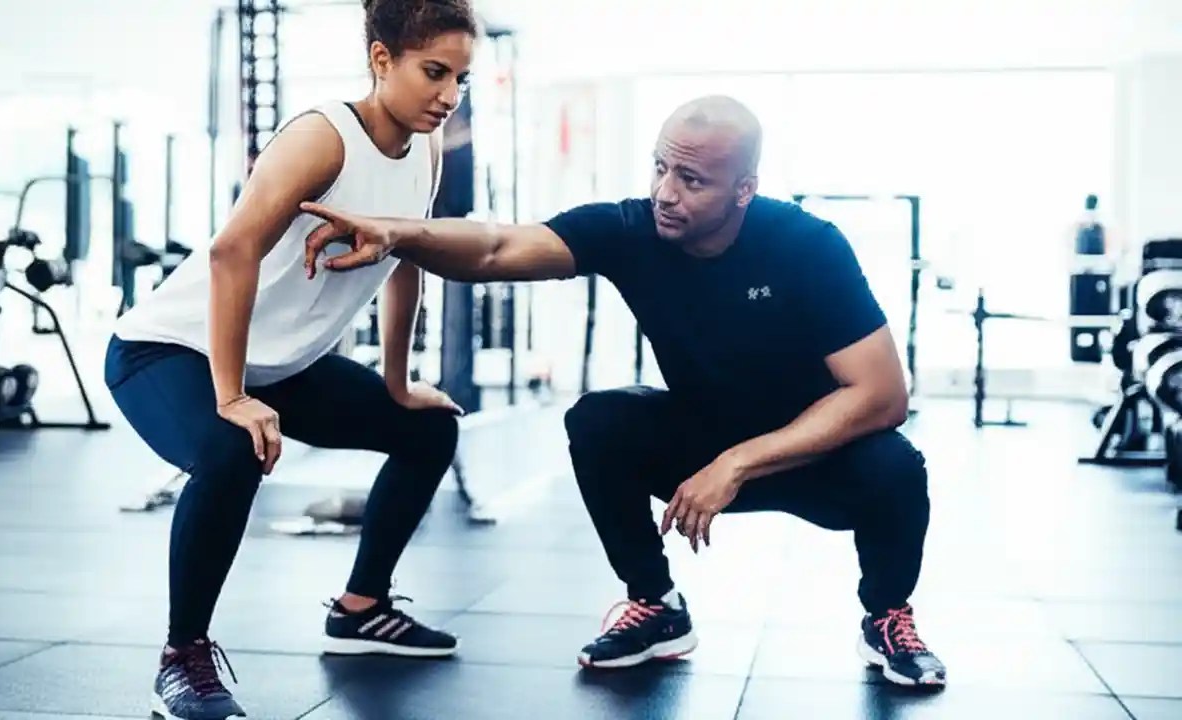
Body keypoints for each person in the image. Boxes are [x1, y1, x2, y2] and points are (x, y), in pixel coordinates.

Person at [298, 95, 949, 688]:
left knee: (896, 464)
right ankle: (656, 605)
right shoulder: (633, 230)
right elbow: (498, 246)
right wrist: (399, 234)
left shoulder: (807, 246)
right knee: (601, 420)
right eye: (660, 168)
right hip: (700, 443)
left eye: (691, 180)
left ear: (744, 189)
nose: (667, 192)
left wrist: (738, 463)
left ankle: (887, 618)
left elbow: (884, 395)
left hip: (809, 456)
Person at [103, 2, 478, 717]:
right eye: (435, 72)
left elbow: (408, 258)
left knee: (429, 428)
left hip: (282, 366)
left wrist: (398, 384)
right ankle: (182, 659)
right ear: (380, 60)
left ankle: (361, 609)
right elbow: (230, 250)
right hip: (166, 350)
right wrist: (231, 394)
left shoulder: (426, 149)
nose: (450, 95)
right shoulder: (321, 137)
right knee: (231, 450)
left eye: (461, 78)